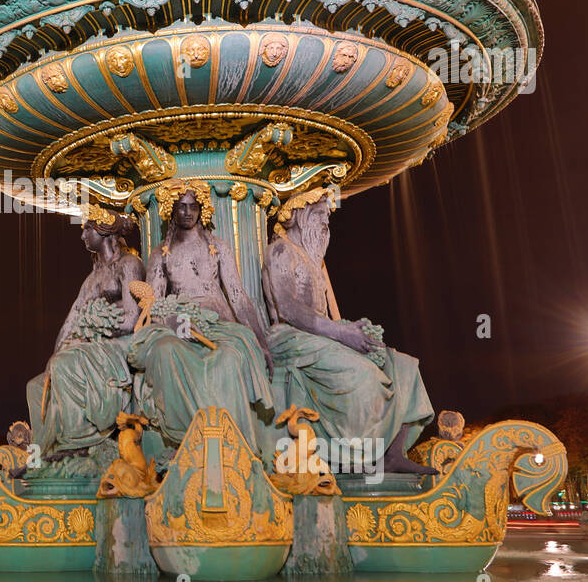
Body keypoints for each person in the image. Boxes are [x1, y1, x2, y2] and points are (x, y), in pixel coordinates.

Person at [261, 187, 435, 475]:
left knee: (402, 365)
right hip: (289, 336)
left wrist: (352, 329)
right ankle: (352, 454)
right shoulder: (281, 250)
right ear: (298, 214)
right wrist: (341, 334)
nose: (325, 222)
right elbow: (288, 309)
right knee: (363, 375)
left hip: (320, 334)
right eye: (319, 214)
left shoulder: (314, 261)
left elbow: (329, 314)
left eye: (327, 215)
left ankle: (392, 453)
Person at [128, 179, 275, 449]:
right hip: (181, 324)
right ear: (172, 210)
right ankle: (186, 440)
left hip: (219, 323)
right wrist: (173, 321)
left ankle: (231, 445)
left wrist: (261, 342)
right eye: (181, 206)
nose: (187, 212)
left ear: (202, 208)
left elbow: (239, 297)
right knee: (164, 350)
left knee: (230, 359)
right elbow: (155, 303)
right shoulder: (161, 254)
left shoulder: (218, 247)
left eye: (193, 206)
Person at [26, 206, 144, 460]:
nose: (82, 236)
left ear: (104, 230)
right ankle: (46, 451)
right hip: (91, 345)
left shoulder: (129, 265)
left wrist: (92, 332)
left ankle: (77, 442)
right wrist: (52, 357)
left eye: (87, 229)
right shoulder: (91, 279)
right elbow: (71, 321)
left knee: (65, 364)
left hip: (120, 343)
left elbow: (132, 319)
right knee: (36, 386)